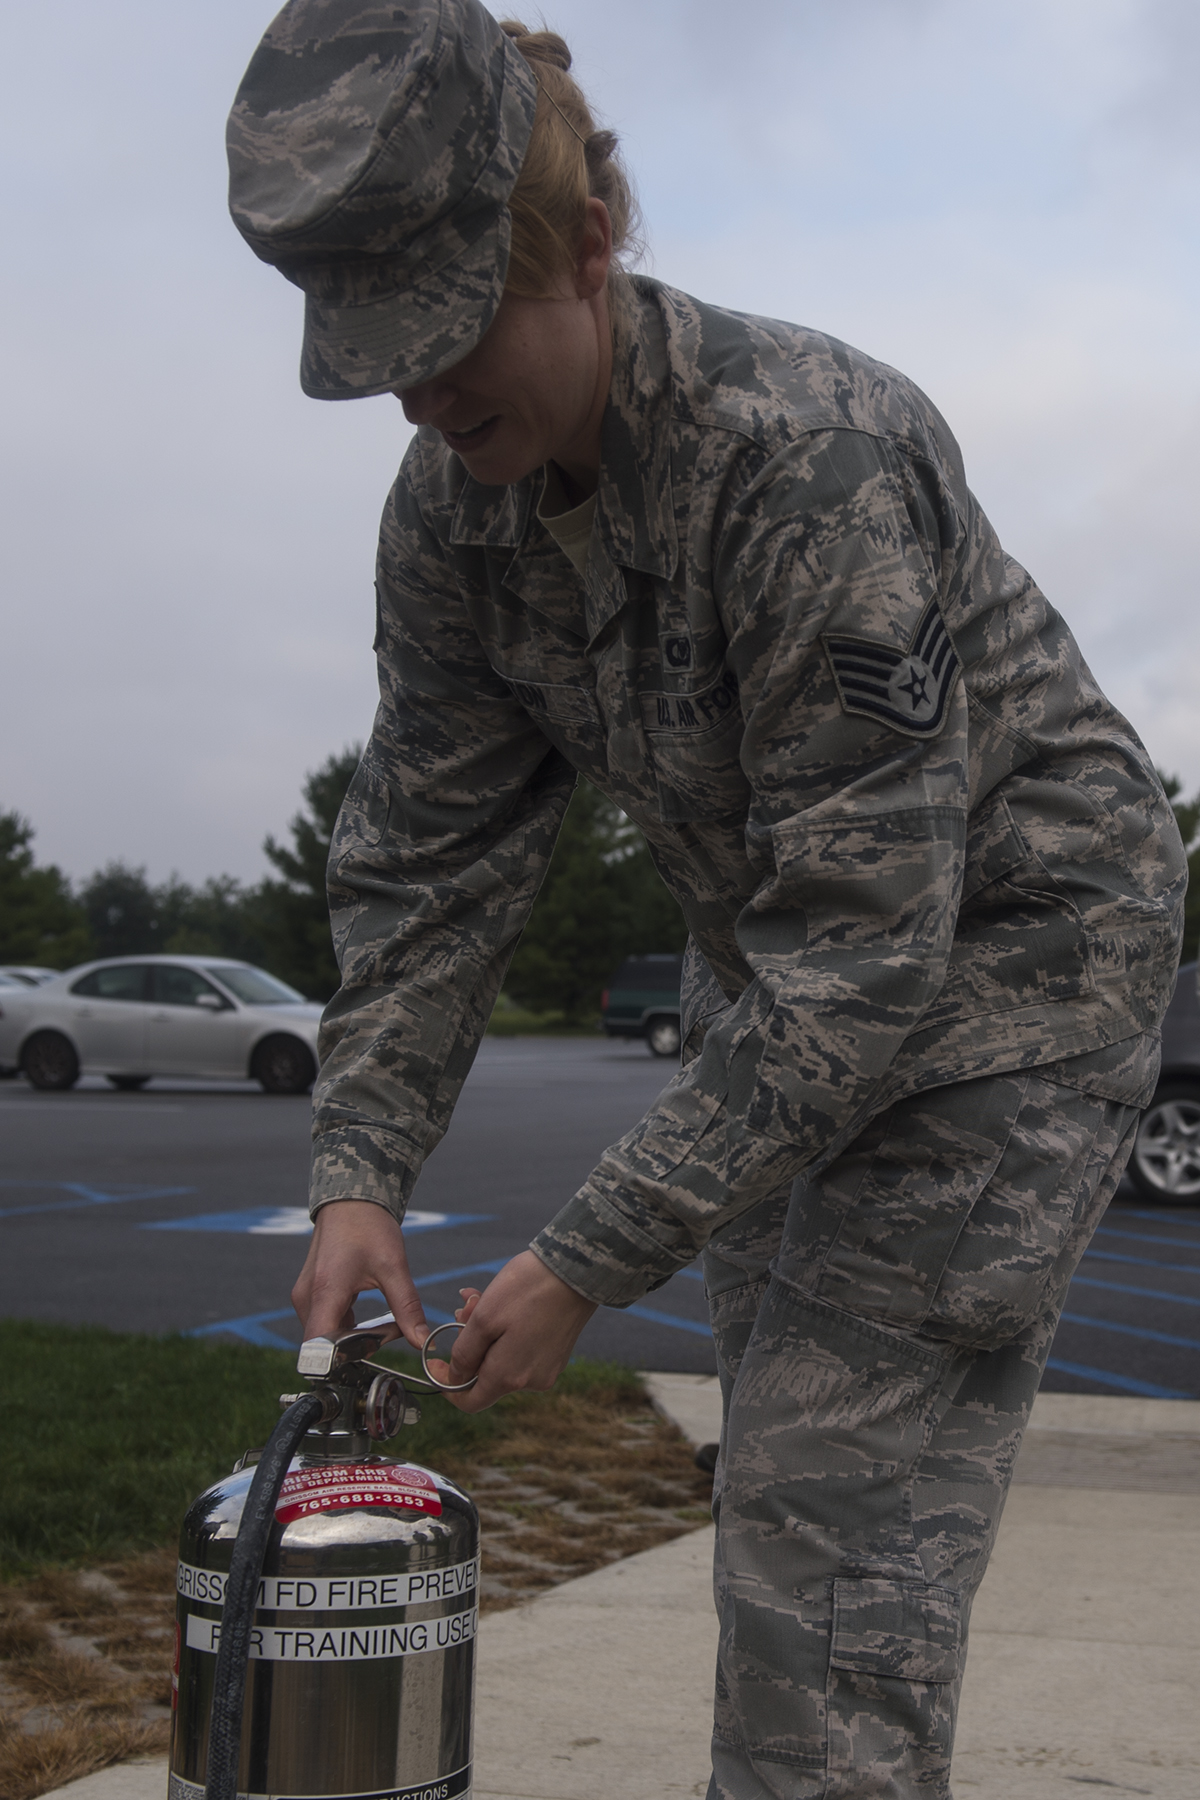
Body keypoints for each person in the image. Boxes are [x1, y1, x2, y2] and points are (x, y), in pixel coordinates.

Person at [227, 4, 1186, 1795]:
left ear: (588, 244)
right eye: (378, 354)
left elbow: (873, 940)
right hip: (785, 978)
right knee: (787, 1499)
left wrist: (583, 1259)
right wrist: (359, 1172)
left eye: (448, 330)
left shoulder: (804, 454)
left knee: (833, 1538)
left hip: (1017, 975)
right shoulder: (452, 522)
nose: (418, 392)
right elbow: (429, 864)